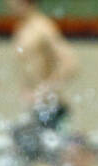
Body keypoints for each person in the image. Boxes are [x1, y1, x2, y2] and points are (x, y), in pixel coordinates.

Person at [9, 0, 80, 128]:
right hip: (35, 108)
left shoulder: (42, 27)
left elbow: (70, 62)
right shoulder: (24, 27)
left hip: (51, 109)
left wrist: (45, 90)